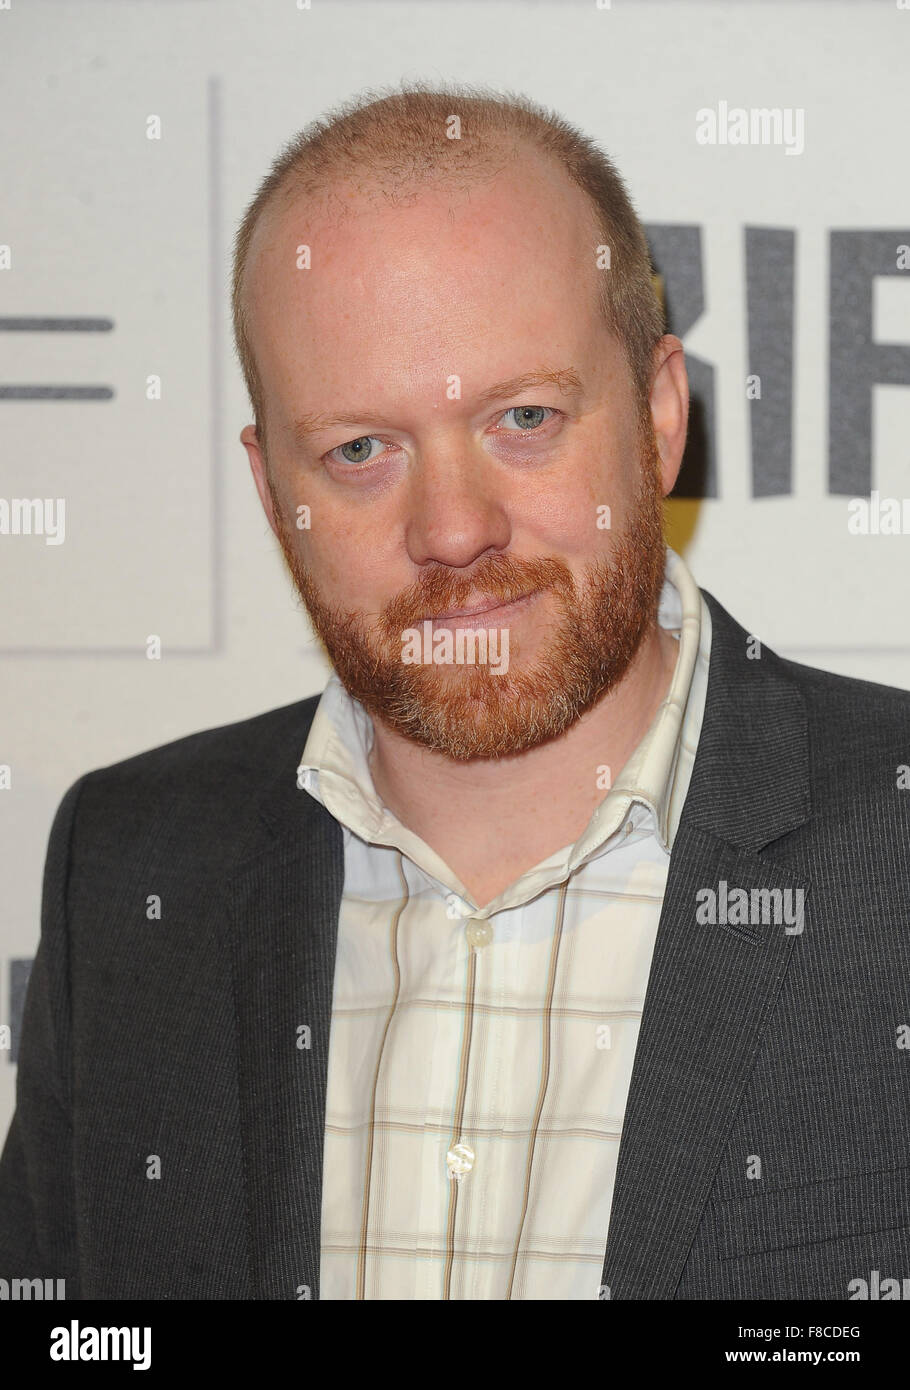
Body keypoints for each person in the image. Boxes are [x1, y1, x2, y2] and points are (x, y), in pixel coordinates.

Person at [2, 82, 909, 1301]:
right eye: (359, 451)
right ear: (275, 493)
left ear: (657, 416)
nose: (453, 529)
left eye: (523, 418)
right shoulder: (132, 865)